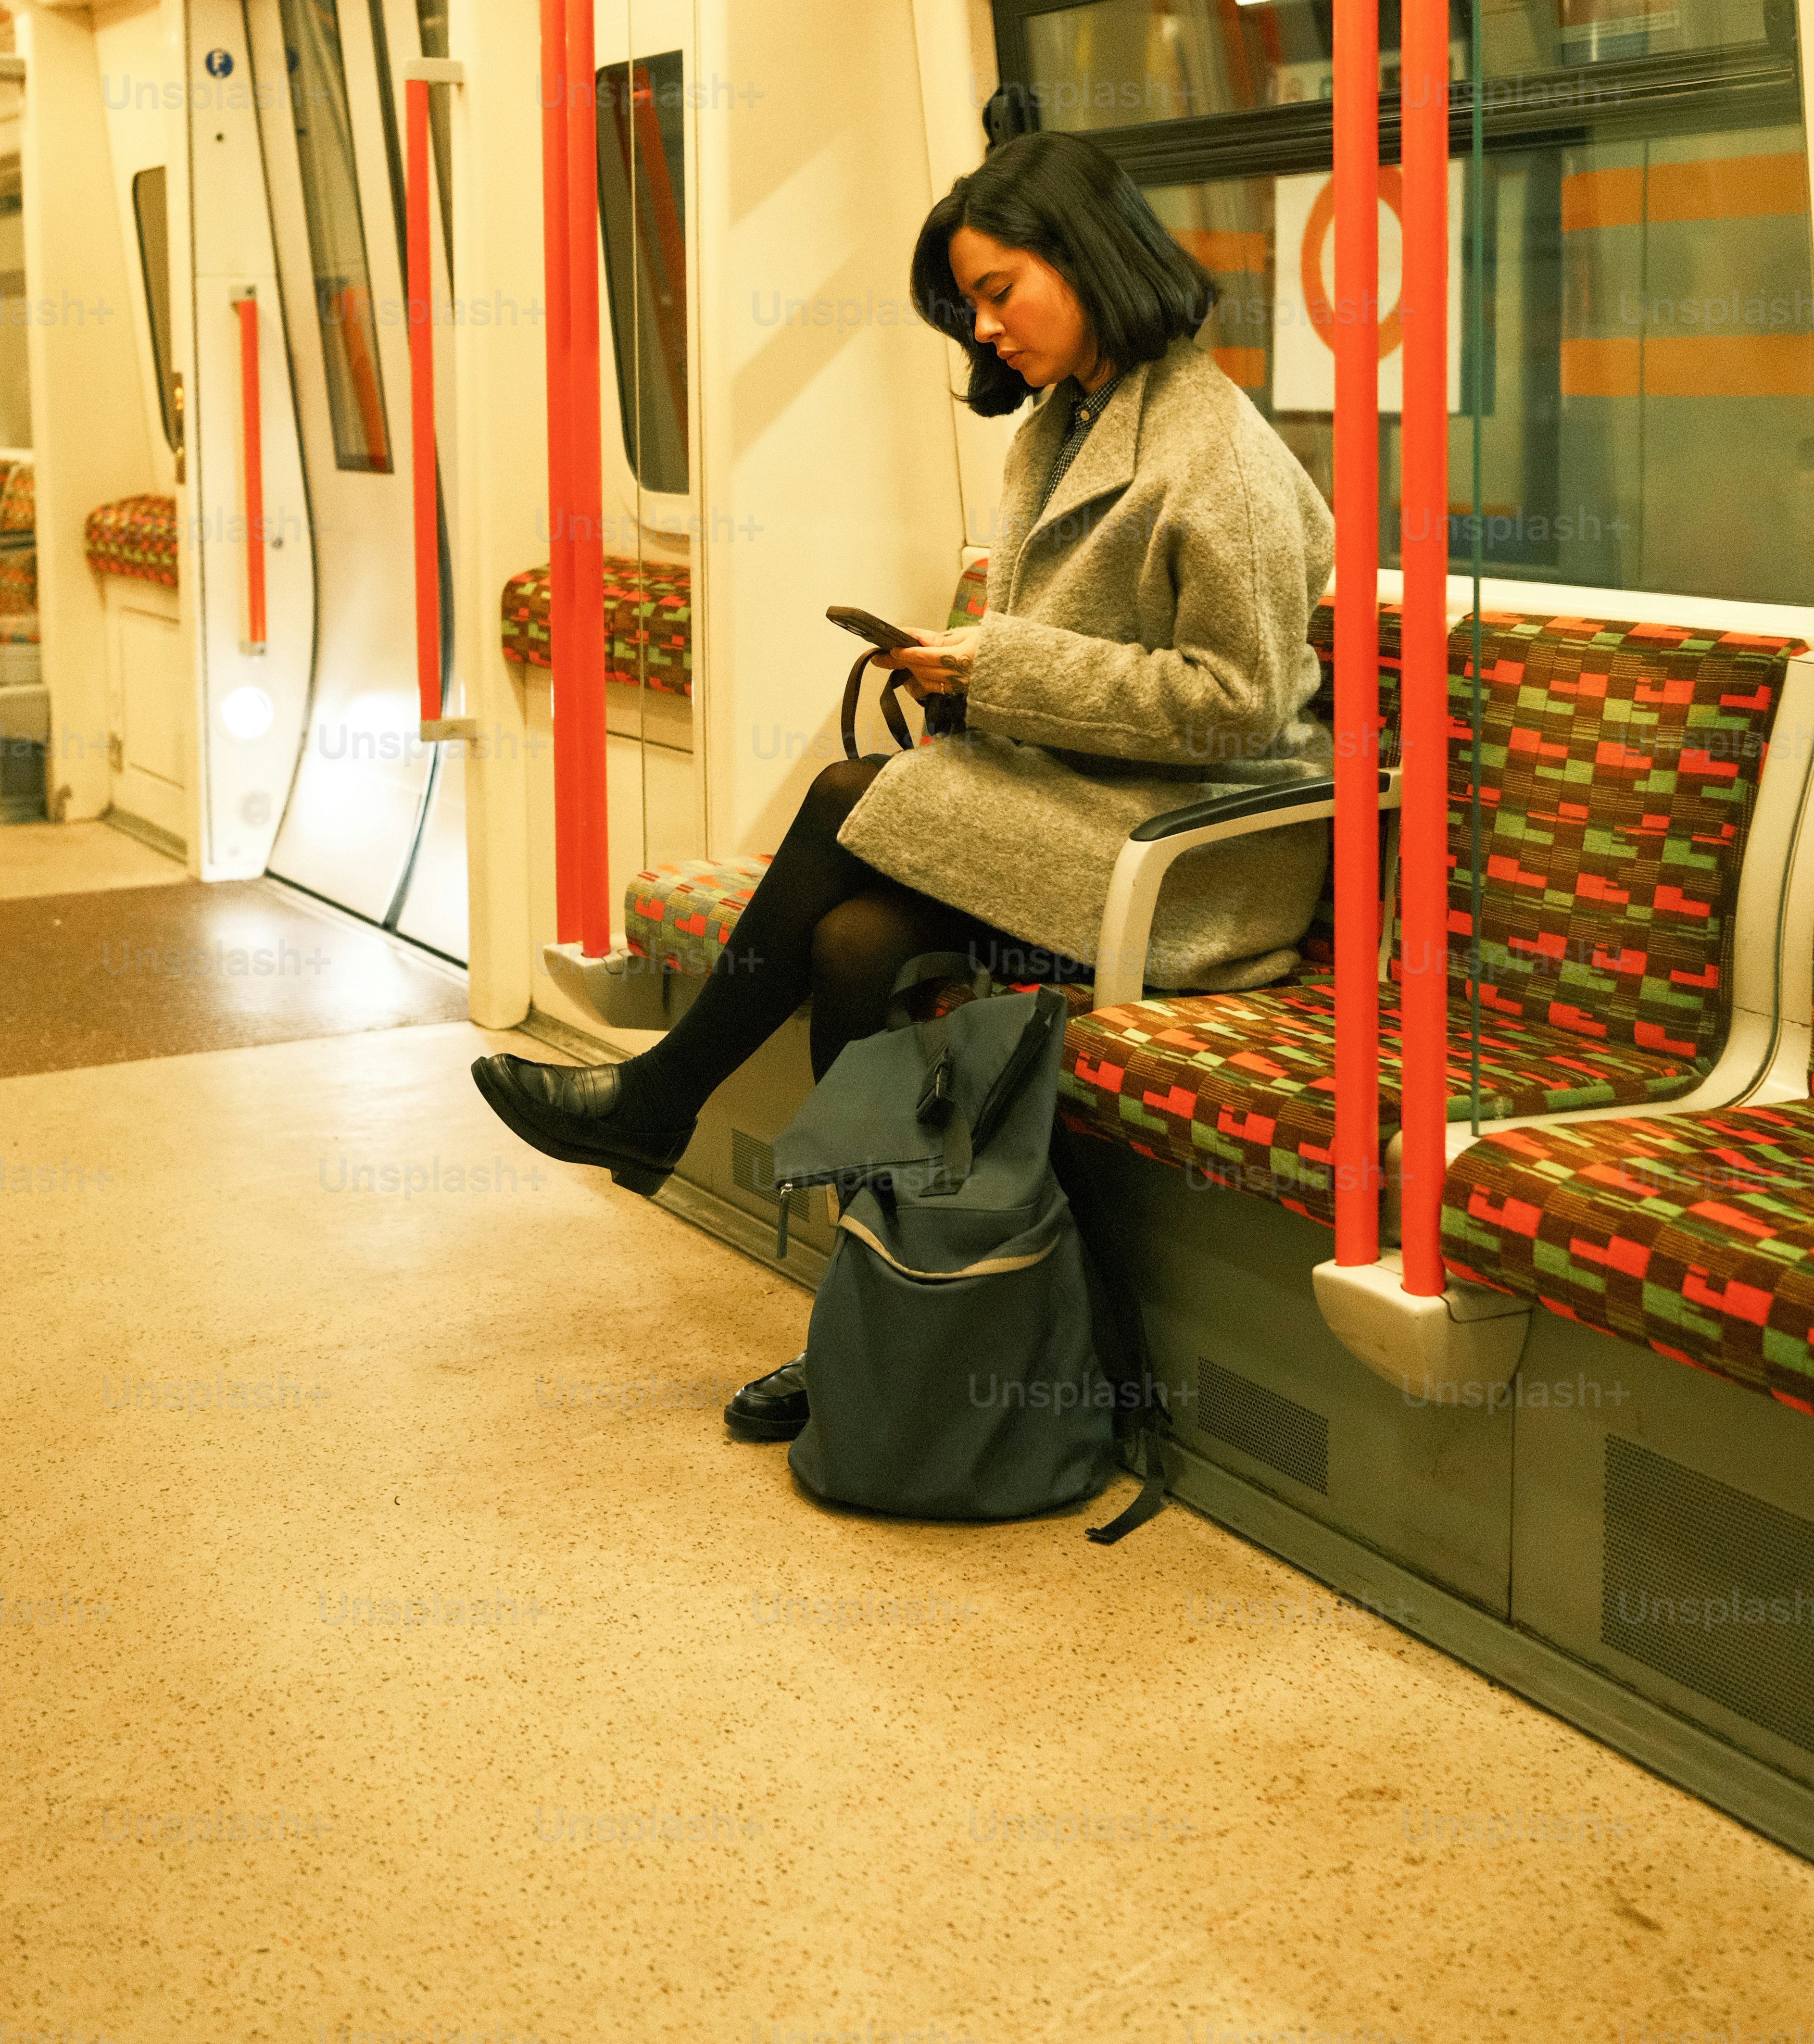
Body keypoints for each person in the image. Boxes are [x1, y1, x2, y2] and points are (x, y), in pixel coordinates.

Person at [472, 132, 1335, 1441]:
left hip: (1195, 868)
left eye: (1000, 293)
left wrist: (999, 671)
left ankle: (659, 1103)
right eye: (972, 306)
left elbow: (1238, 705)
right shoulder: (1069, 427)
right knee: (853, 941)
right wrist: (971, 678)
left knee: (842, 797)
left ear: (1088, 259)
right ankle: (876, 1322)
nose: (987, 332)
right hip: (1083, 815)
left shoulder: (1220, 458)